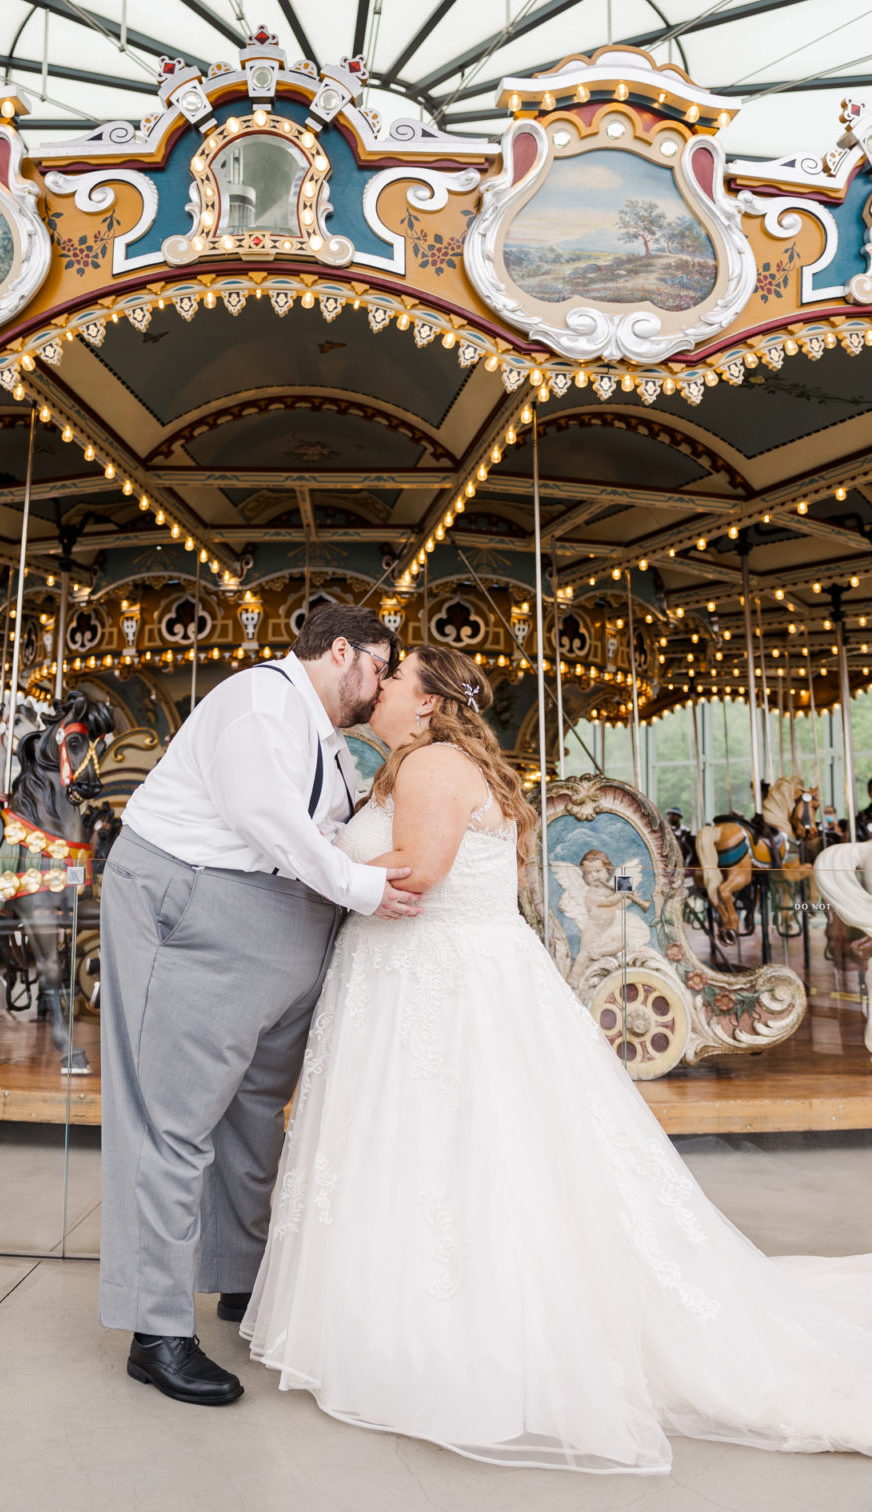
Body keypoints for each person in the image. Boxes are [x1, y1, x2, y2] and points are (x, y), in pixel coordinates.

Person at [243, 644, 872, 1472]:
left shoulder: (431, 765)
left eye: (395, 677)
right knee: (457, 1151)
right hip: (436, 974)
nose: (381, 683)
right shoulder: (426, 762)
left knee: (439, 1147)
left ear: (428, 703)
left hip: (435, 978)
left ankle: (442, 1330)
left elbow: (420, 871)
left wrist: (295, 855)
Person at [99, 604, 421, 1407]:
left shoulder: (320, 733)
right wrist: (364, 889)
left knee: (253, 1112)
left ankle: (238, 1282)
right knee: (169, 1116)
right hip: (198, 901)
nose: (379, 683)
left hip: (280, 923)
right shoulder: (258, 702)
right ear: (341, 649)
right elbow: (267, 820)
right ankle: (157, 1329)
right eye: (379, 666)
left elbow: (327, 826)